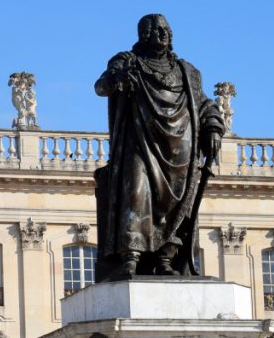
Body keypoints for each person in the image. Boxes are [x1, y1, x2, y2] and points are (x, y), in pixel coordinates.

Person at [93, 14, 224, 280]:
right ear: (144, 35)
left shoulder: (187, 72)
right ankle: (130, 256)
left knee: (174, 205)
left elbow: (204, 104)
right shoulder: (129, 61)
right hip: (140, 141)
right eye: (156, 30)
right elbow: (101, 86)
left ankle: (166, 258)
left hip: (180, 147)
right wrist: (118, 78)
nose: (163, 35)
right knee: (135, 194)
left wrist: (213, 126)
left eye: (166, 30)